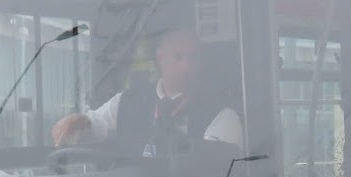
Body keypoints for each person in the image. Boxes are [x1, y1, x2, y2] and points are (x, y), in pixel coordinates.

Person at [51, 27, 242, 154]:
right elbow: (94, 126)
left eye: (193, 58)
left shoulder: (222, 114)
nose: (186, 66)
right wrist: (75, 123)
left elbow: (212, 172)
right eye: (179, 57)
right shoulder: (126, 101)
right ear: (161, 57)